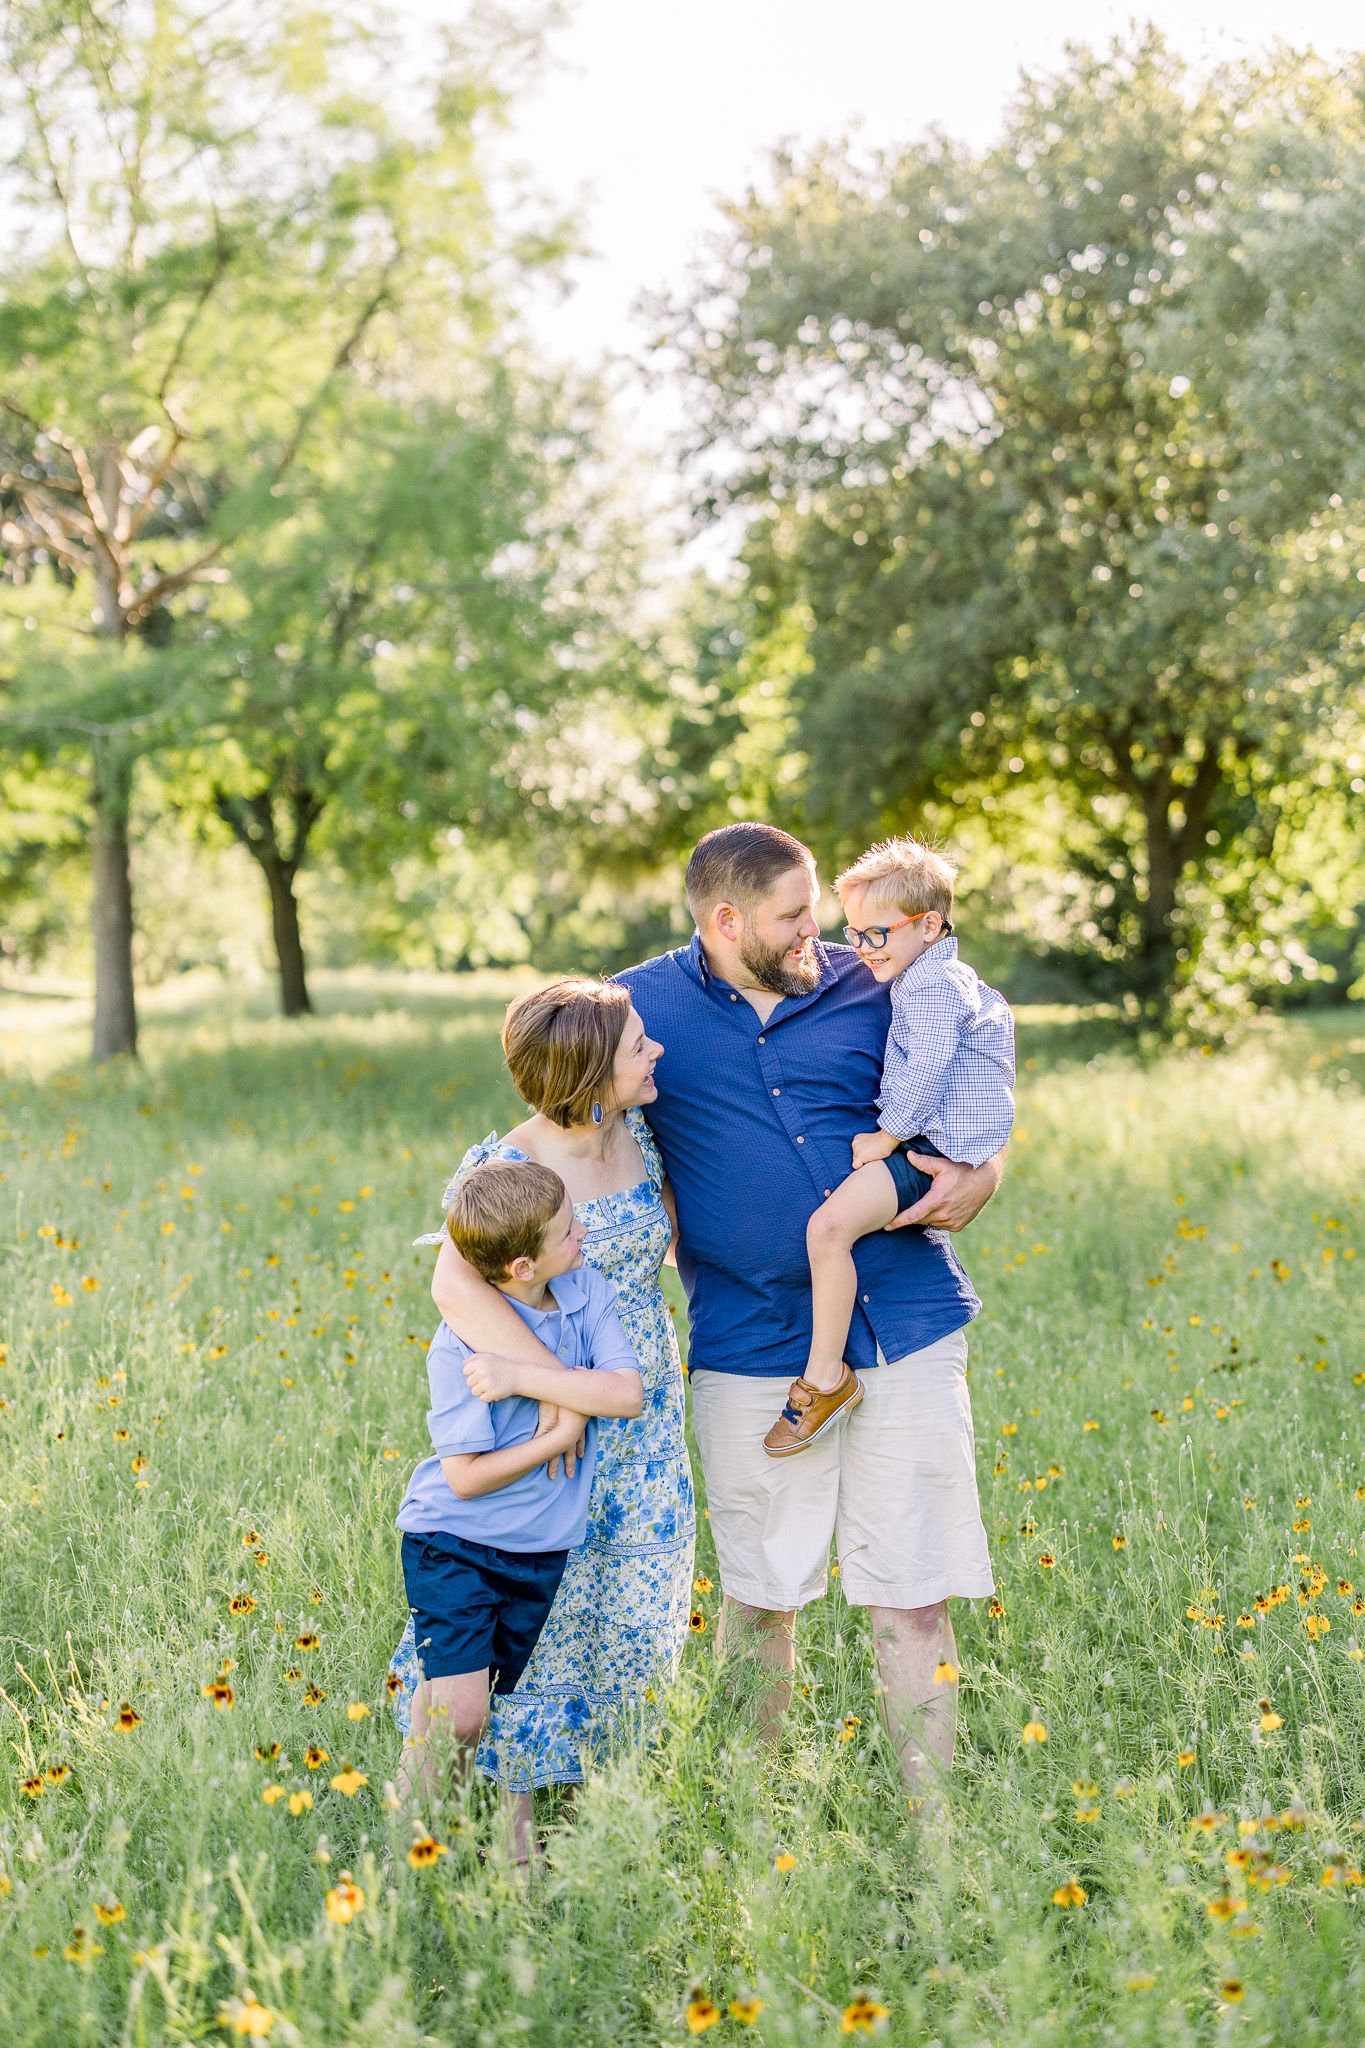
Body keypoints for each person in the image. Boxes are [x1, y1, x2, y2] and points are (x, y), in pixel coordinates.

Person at [614, 821, 1003, 1798]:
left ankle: (938, 1837)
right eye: (793, 918)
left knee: (913, 1600)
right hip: (749, 1347)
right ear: (724, 918)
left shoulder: (877, 978)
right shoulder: (635, 1008)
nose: (816, 934)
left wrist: (990, 1165)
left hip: (903, 1320)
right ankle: (753, 1831)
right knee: (758, 1601)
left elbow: (980, 1069)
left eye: (817, 909)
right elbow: (563, 1118)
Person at [390, 978, 695, 1802]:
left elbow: (672, 1245)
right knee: (543, 1615)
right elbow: (454, 1288)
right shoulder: (510, 1166)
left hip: (644, 1418)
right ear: (589, 1071)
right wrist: (560, 1393)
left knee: (623, 1615)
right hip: (553, 1424)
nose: (654, 1049)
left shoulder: (641, 1132)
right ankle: (475, 1817)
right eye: (637, 1044)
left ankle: (592, 1805)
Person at [395, 1157, 643, 1863]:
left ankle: (469, 1843)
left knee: (464, 1708)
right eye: (569, 1231)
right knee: (463, 1716)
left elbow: (625, 1394)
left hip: (540, 1549)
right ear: (524, 1265)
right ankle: (408, 1851)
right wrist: (561, 1433)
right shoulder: (458, 1351)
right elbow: (465, 1479)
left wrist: (527, 1380)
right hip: (455, 1540)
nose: (584, 1233)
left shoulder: (583, 1290)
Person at [762, 835, 1014, 1457]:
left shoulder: (930, 988)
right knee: (831, 1231)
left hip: (925, 1151)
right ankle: (827, 1375)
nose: (860, 950)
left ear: (928, 925)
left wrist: (886, 1135)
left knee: (827, 1231)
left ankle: (823, 1380)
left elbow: (927, 1069)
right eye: (852, 934)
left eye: (876, 935)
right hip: (934, 1146)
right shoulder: (933, 975)